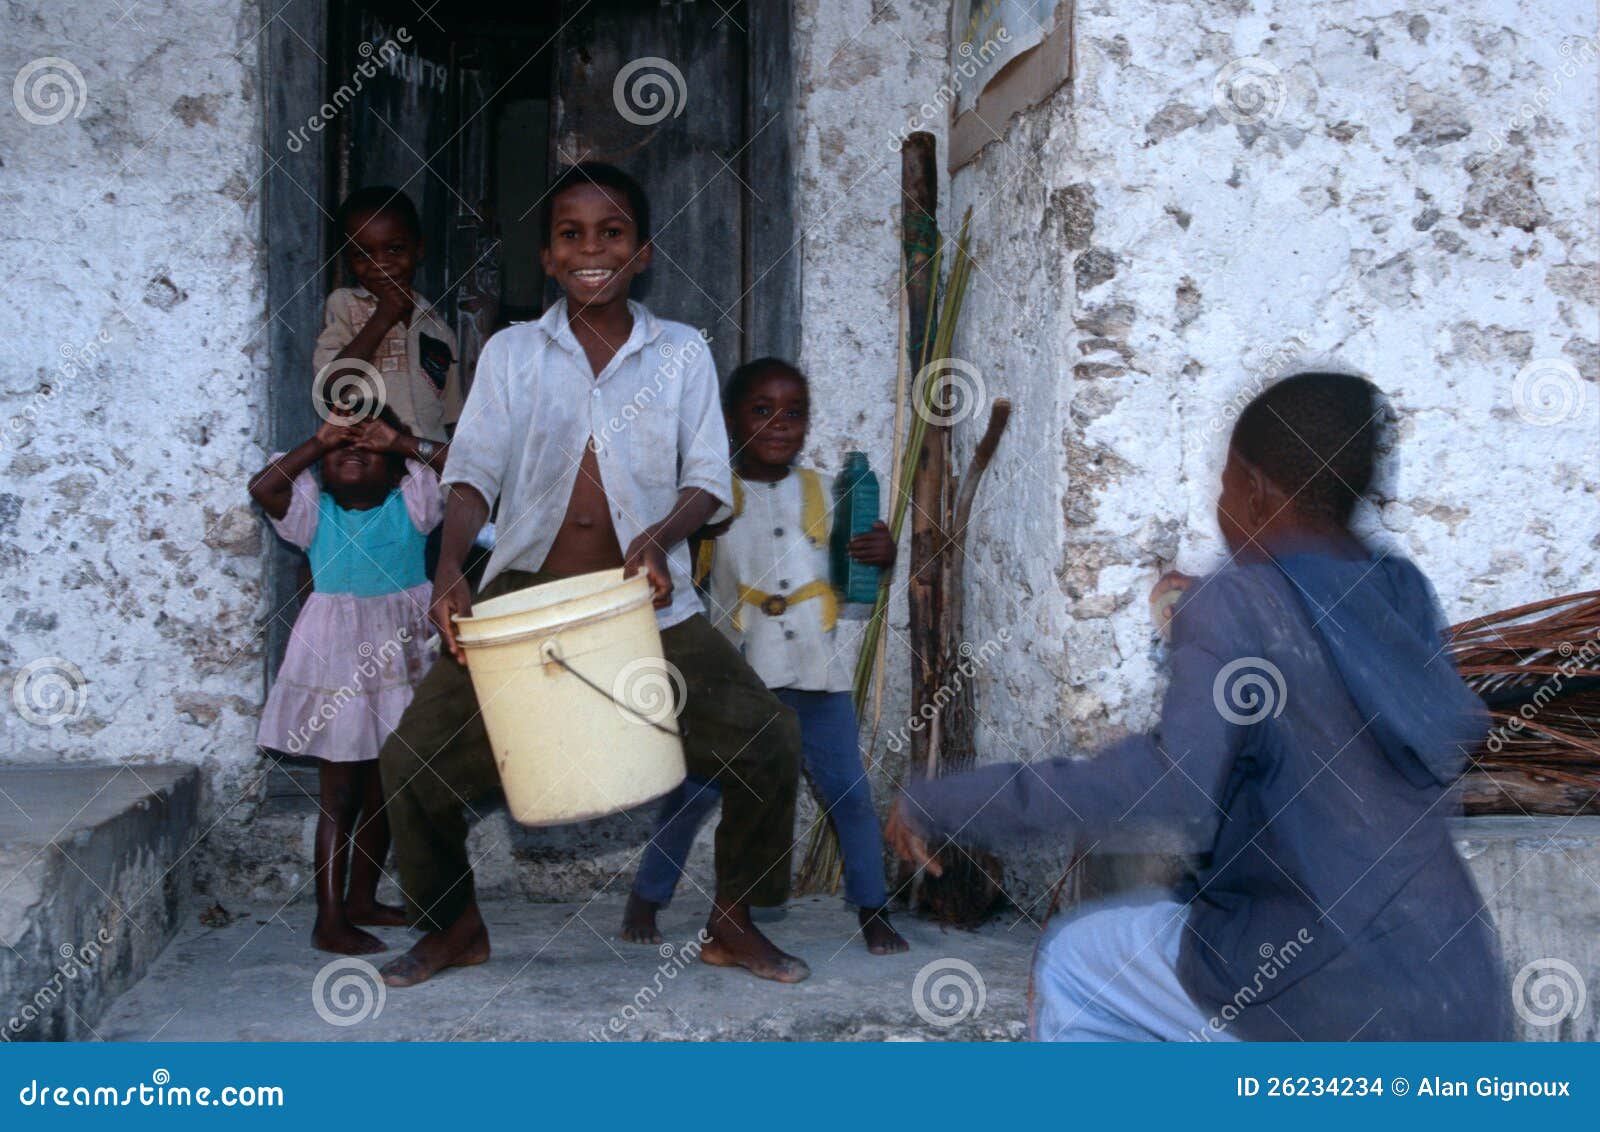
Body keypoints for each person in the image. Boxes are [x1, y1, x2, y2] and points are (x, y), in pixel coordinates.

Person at [886, 371, 1507, 1041]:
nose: (1220, 505)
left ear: (1255, 491)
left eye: (1223, 486)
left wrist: (952, 803)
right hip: (1459, 993)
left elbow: (1172, 785)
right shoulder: (1400, 591)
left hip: (1319, 1000)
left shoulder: (1238, 605)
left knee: (1073, 962)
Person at [376, 163, 808, 988]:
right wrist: (447, 573)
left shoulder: (679, 353)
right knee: (415, 761)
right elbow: (469, 476)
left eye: (611, 233)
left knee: (766, 740)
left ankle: (732, 919)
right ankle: (453, 923)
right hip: (521, 599)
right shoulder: (511, 353)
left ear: (642, 252)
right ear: (546, 257)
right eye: (570, 235)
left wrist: (658, 535)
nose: (591, 250)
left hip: (645, 602)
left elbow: (710, 481)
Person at [620, 359, 908, 955]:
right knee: (694, 792)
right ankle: (648, 895)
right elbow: (672, 570)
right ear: (730, 420)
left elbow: (858, 567)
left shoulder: (831, 490)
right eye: (762, 411)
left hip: (815, 674)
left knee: (848, 792)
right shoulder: (706, 501)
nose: (780, 425)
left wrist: (883, 552)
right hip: (739, 677)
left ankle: (872, 908)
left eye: (794, 413)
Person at [250, 414, 447, 955]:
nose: (353, 453)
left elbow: (464, 470)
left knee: (387, 787)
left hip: (400, 660)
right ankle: (329, 919)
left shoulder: (414, 507)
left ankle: (362, 899)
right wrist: (319, 441)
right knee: (339, 794)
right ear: (321, 470)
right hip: (335, 666)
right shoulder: (312, 513)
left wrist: (404, 440)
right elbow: (265, 486)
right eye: (341, 450)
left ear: (396, 471)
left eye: (370, 448)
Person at [314, 186, 462, 455]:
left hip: (424, 465)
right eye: (363, 254)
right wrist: (382, 318)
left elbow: (451, 416)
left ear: (419, 249)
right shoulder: (344, 305)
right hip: (367, 465)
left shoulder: (438, 329)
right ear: (348, 260)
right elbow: (331, 387)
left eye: (394, 249)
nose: (380, 264)